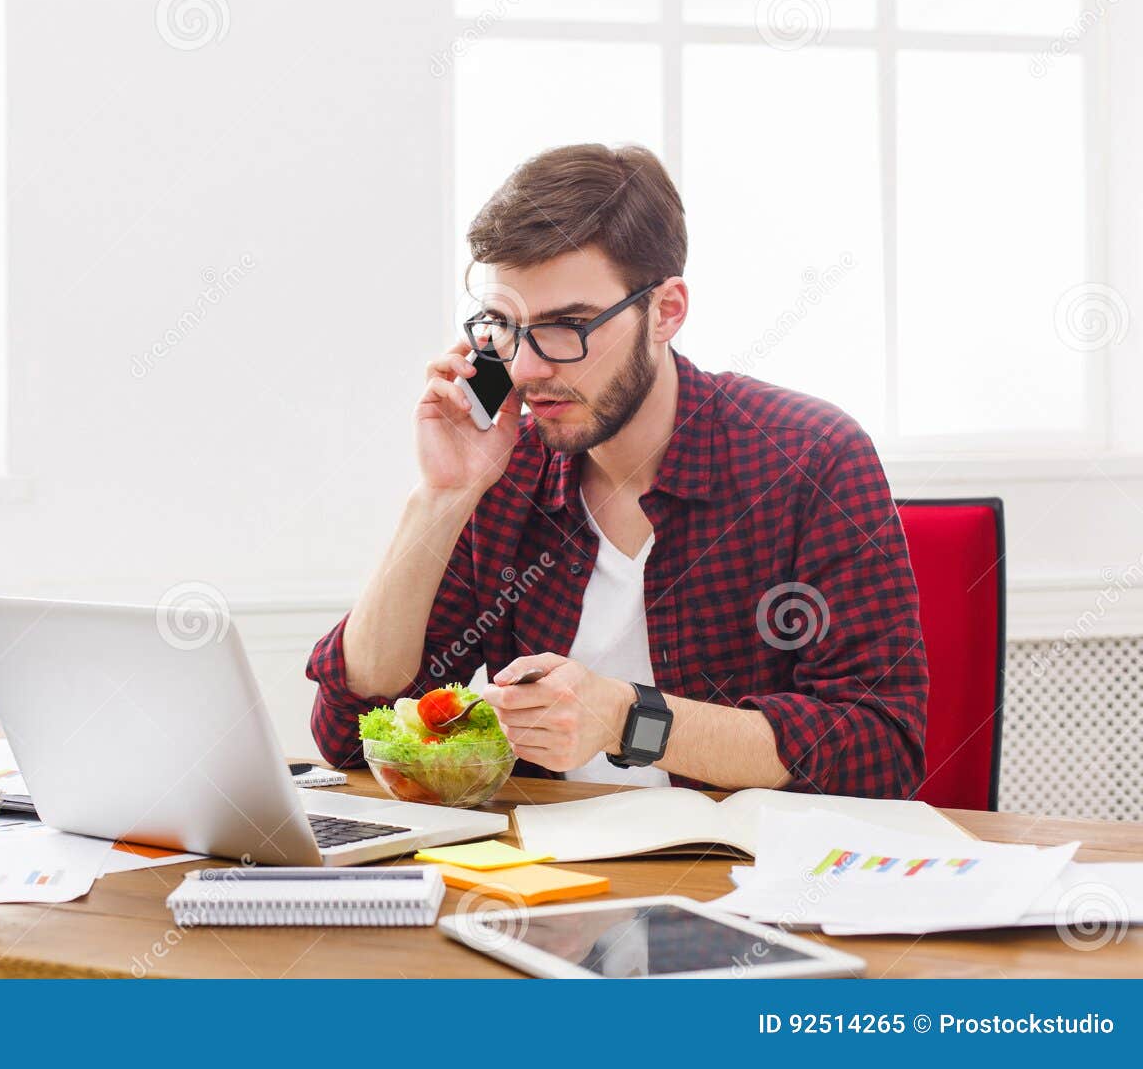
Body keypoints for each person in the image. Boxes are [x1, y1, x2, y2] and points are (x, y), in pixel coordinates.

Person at [307, 143, 928, 797]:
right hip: (547, 878)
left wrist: (630, 720)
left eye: (567, 325)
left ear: (666, 312)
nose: (524, 369)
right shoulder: (505, 470)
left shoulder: (809, 455)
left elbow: (881, 749)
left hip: (741, 882)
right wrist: (441, 495)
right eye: (503, 327)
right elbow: (351, 735)